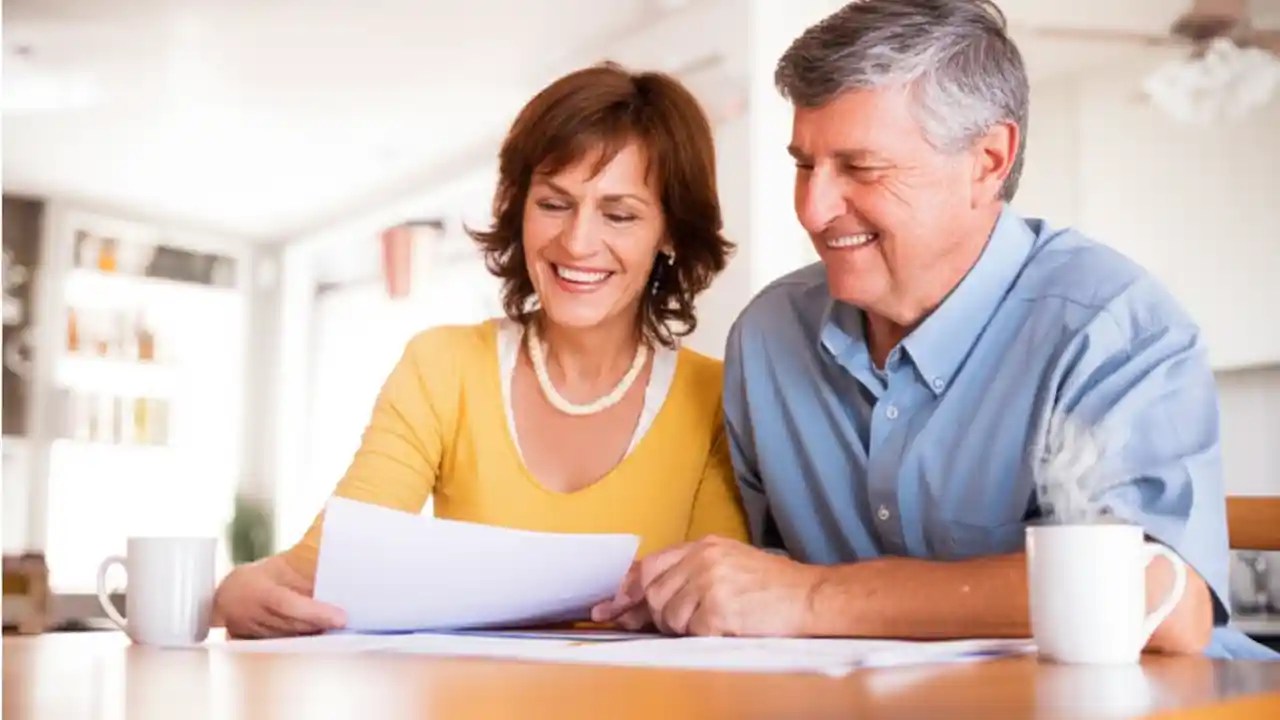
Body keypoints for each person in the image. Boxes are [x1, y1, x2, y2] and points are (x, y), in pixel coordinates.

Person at [592, 0, 1277, 660]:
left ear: (988, 161)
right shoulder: (769, 337)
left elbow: (1159, 602)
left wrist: (814, 598)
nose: (814, 207)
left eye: (861, 167)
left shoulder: (1109, 328)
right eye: (804, 164)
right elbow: (760, 573)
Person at [215, 63, 747, 639]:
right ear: (520, 207)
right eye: (553, 204)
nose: (577, 241)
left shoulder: (716, 400)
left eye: (618, 215)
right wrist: (235, 593)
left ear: (669, 233)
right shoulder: (442, 369)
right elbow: (322, 574)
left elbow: (718, 611)